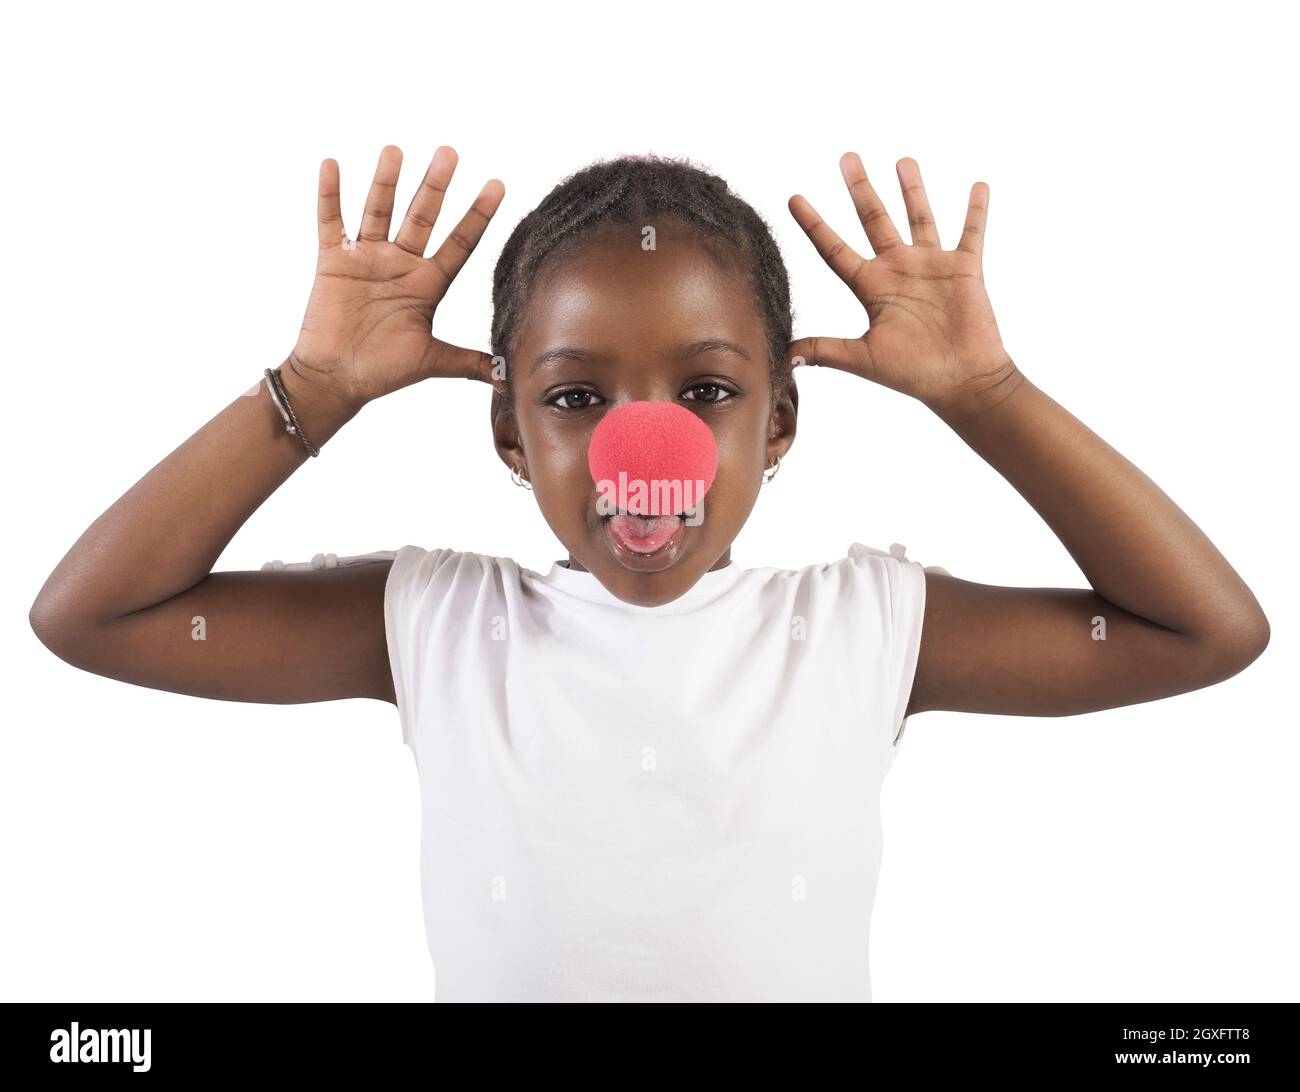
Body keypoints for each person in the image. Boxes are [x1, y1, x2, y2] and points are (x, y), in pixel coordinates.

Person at [29, 145, 1270, 1002]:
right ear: (510, 434)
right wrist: (310, 393)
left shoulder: (861, 626)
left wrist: (988, 399)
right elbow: (93, 614)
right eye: (575, 397)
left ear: (778, 427)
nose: (645, 442)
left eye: (709, 392)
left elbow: (1202, 631)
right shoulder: (435, 622)